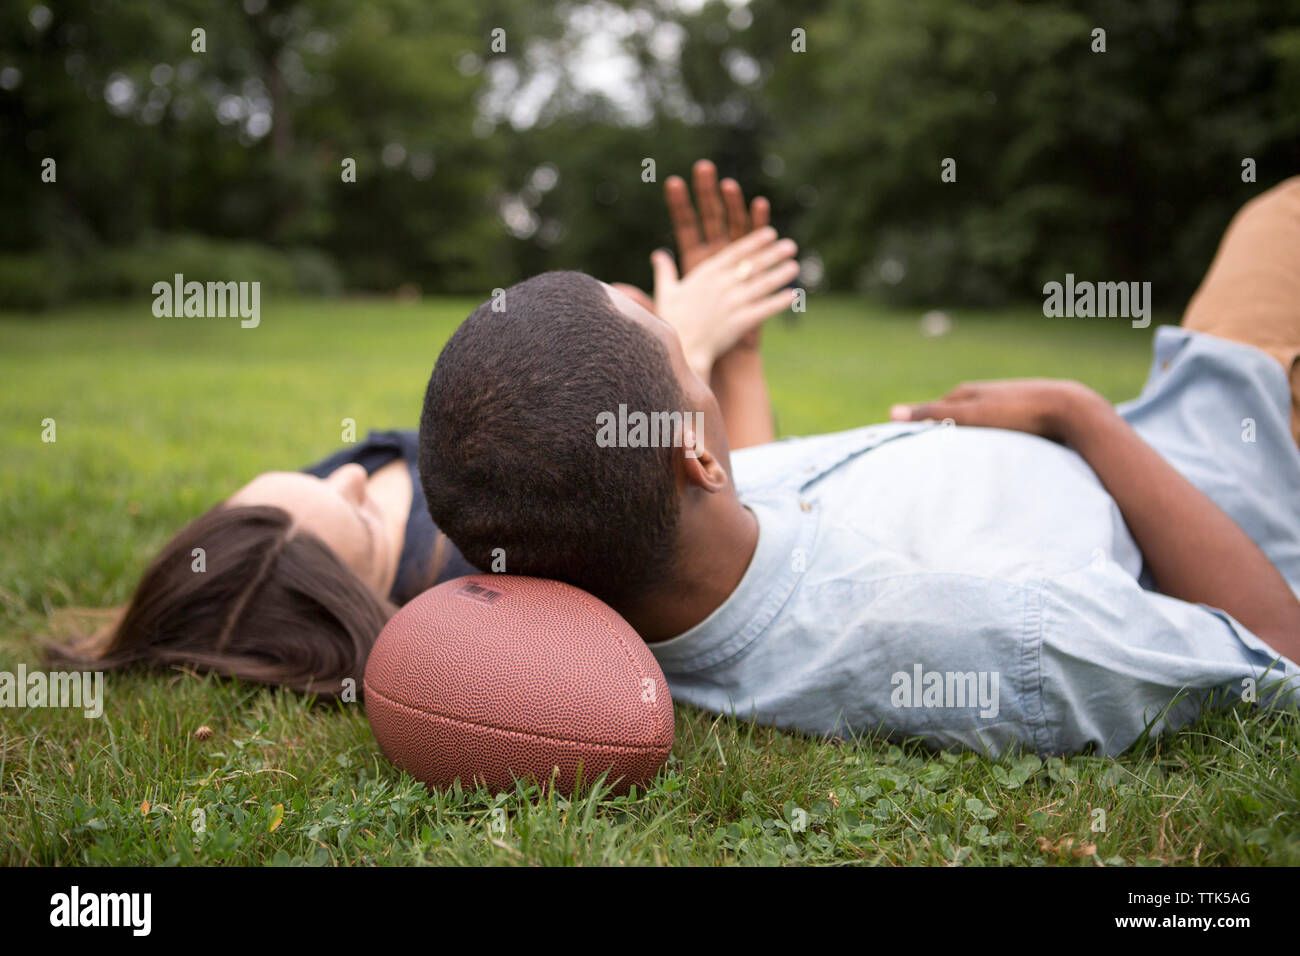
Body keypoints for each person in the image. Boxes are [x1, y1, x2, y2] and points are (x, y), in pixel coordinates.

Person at [419, 172, 1300, 756]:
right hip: (1250, 459)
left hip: (1187, 409)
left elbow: (748, 505)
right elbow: (1278, 652)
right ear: (694, 454)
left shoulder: (659, 555)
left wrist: (738, 358)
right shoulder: (1005, 635)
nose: (683, 324)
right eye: (678, 341)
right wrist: (1082, 415)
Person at [49, 161, 799, 696]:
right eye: (362, 510)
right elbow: (732, 521)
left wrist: (686, 351)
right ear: (353, 606)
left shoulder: (287, 544)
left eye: (311, 477)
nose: (348, 473)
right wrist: (695, 356)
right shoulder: (491, 576)